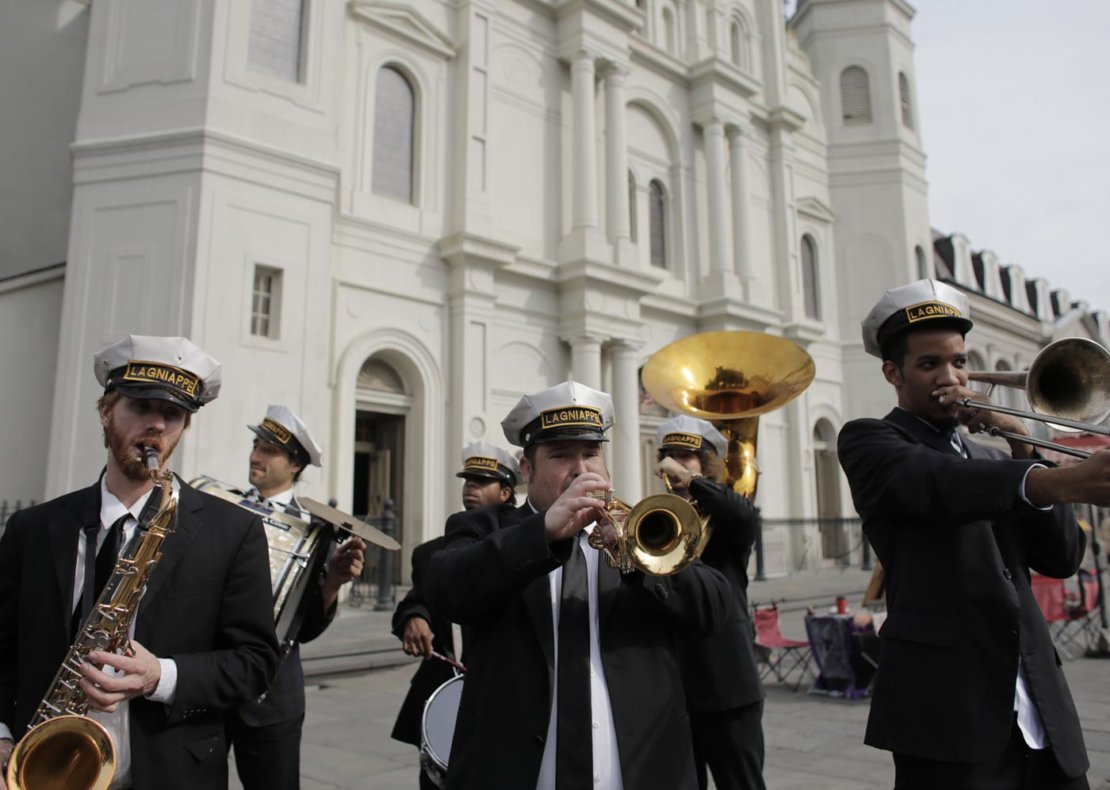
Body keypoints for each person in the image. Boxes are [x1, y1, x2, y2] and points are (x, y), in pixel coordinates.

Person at [838, 279, 1110, 789]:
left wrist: (1023, 442)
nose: (952, 378)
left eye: (960, 362)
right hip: (949, 718)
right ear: (892, 373)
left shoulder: (995, 459)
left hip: (1042, 714)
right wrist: (1056, 478)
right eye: (930, 364)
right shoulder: (872, 440)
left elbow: (1062, 557)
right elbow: (939, 484)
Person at [0, 335, 279, 789]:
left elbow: (256, 663)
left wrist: (159, 676)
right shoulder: (32, 529)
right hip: (43, 768)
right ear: (105, 410)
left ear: (184, 426)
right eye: (140, 406)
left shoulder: (233, 532)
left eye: (171, 415)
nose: (156, 426)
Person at [425, 380, 732, 790]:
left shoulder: (640, 533)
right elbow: (445, 591)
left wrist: (640, 563)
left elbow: (714, 611)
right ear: (527, 469)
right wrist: (540, 535)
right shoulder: (484, 528)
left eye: (591, 454)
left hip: (645, 770)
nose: (582, 469)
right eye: (561, 455)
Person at [229, 405, 366, 790]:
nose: (256, 456)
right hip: (210, 687)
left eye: (268, 450)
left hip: (272, 696)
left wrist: (334, 582)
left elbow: (305, 628)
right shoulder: (226, 509)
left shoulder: (316, 530)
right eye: (256, 445)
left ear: (294, 465)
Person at [391, 441, 521, 789]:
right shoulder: (431, 553)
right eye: (468, 481)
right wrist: (413, 617)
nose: (471, 489)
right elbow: (415, 599)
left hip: (504, 697)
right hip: (445, 694)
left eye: (481, 482)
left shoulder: (526, 549)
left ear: (506, 492)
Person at [655, 416, 766, 790]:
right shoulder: (658, 517)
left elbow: (745, 513)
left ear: (706, 464)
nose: (674, 463)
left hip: (727, 685)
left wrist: (695, 484)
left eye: (686, 456)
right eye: (669, 455)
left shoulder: (727, 520)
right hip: (675, 689)